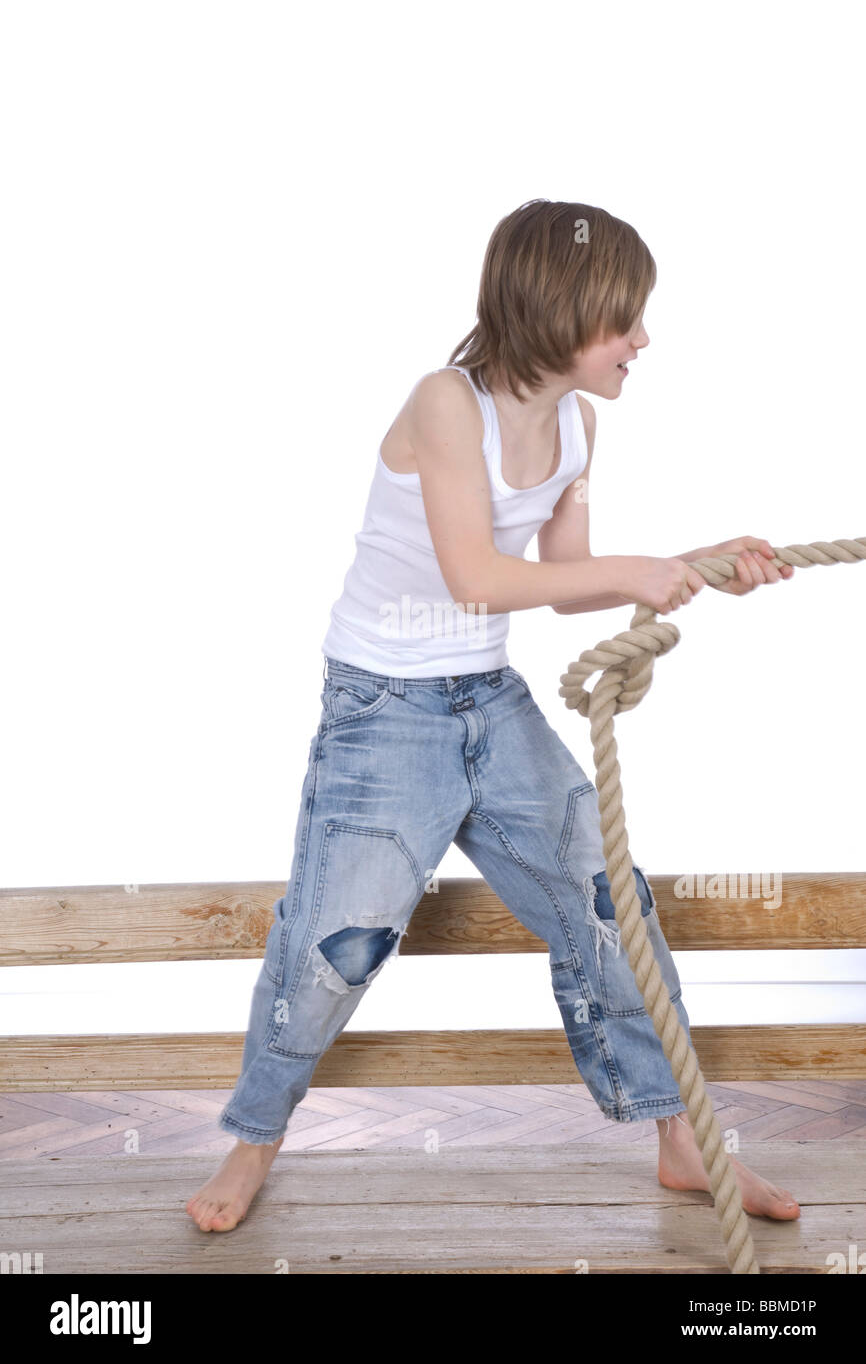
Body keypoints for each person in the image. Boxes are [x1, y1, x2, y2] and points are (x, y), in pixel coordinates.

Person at [186, 198, 799, 1232]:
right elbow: (473, 576)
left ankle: (680, 1140)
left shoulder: (575, 422)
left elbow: (559, 585)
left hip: (487, 700)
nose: (640, 340)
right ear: (555, 313)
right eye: (622, 319)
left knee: (611, 903)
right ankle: (252, 1140)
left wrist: (693, 565)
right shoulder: (442, 404)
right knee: (339, 935)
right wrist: (646, 571)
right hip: (384, 707)